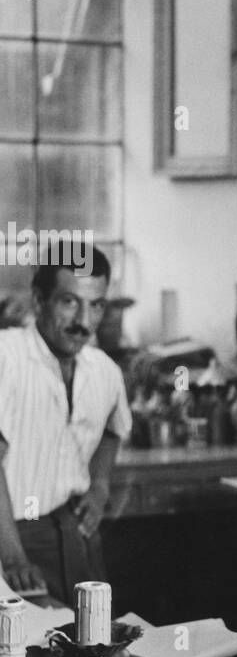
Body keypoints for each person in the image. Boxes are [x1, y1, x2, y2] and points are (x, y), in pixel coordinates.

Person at [0, 246, 132, 602]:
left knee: (93, 647)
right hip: (11, 539)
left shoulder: (104, 369)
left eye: (97, 305)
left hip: (77, 536)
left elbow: (112, 428)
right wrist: (12, 558)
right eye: (70, 302)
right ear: (40, 300)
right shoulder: (6, 357)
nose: (84, 321)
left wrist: (100, 486)